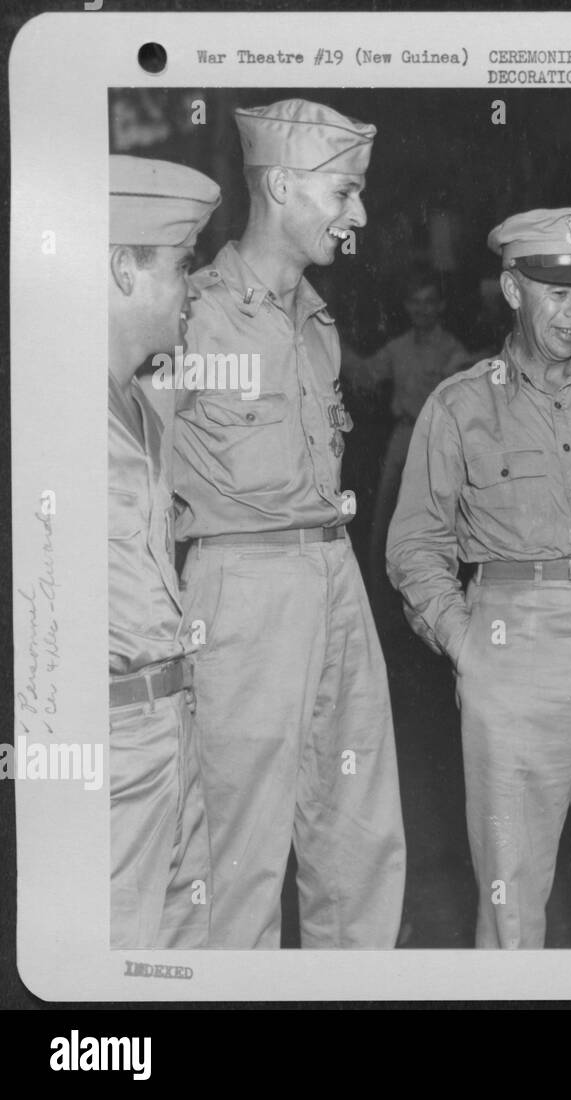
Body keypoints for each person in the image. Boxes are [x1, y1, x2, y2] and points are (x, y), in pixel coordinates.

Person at [387, 208, 571, 949]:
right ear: (512, 289)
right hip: (514, 641)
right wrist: (467, 647)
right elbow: (415, 545)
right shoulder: (459, 405)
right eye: (557, 292)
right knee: (511, 890)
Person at [171, 98, 406, 949]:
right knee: (239, 858)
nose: (360, 214)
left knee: (359, 839)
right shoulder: (190, 316)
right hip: (241, 592)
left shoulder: (318, 323)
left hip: (333, 576)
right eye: (344, 192)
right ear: (279, 186)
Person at [107, 154, 219, 948]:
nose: (193, 290)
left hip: (172, 731)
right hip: (111, 754)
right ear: (122, 267)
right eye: (182, 268)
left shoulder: (140, 413)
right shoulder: (46, 418)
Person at [342, 266, 471, 602]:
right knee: (383, 524)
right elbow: (367, 374)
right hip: (402, 438)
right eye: (415, 302)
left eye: (429, 302)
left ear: (440, 306)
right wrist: (332, 342)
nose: (421, 309)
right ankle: (379, 603)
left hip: (435, 444)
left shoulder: (452, 349)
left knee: (435, 529)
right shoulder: (398, 347)